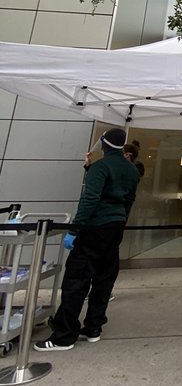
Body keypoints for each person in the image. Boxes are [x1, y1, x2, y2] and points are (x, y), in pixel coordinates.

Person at [34, 127, 140, 350]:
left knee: (77, 279)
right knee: (104, 277)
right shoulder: (130, 170)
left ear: (104, 143)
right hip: (115, 226)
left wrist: (75, 230)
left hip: (94, 227)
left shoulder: (100, 168)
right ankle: (93, 326)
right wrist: (120, 219)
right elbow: (129, 198)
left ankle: (64, 334)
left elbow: (90, 199)